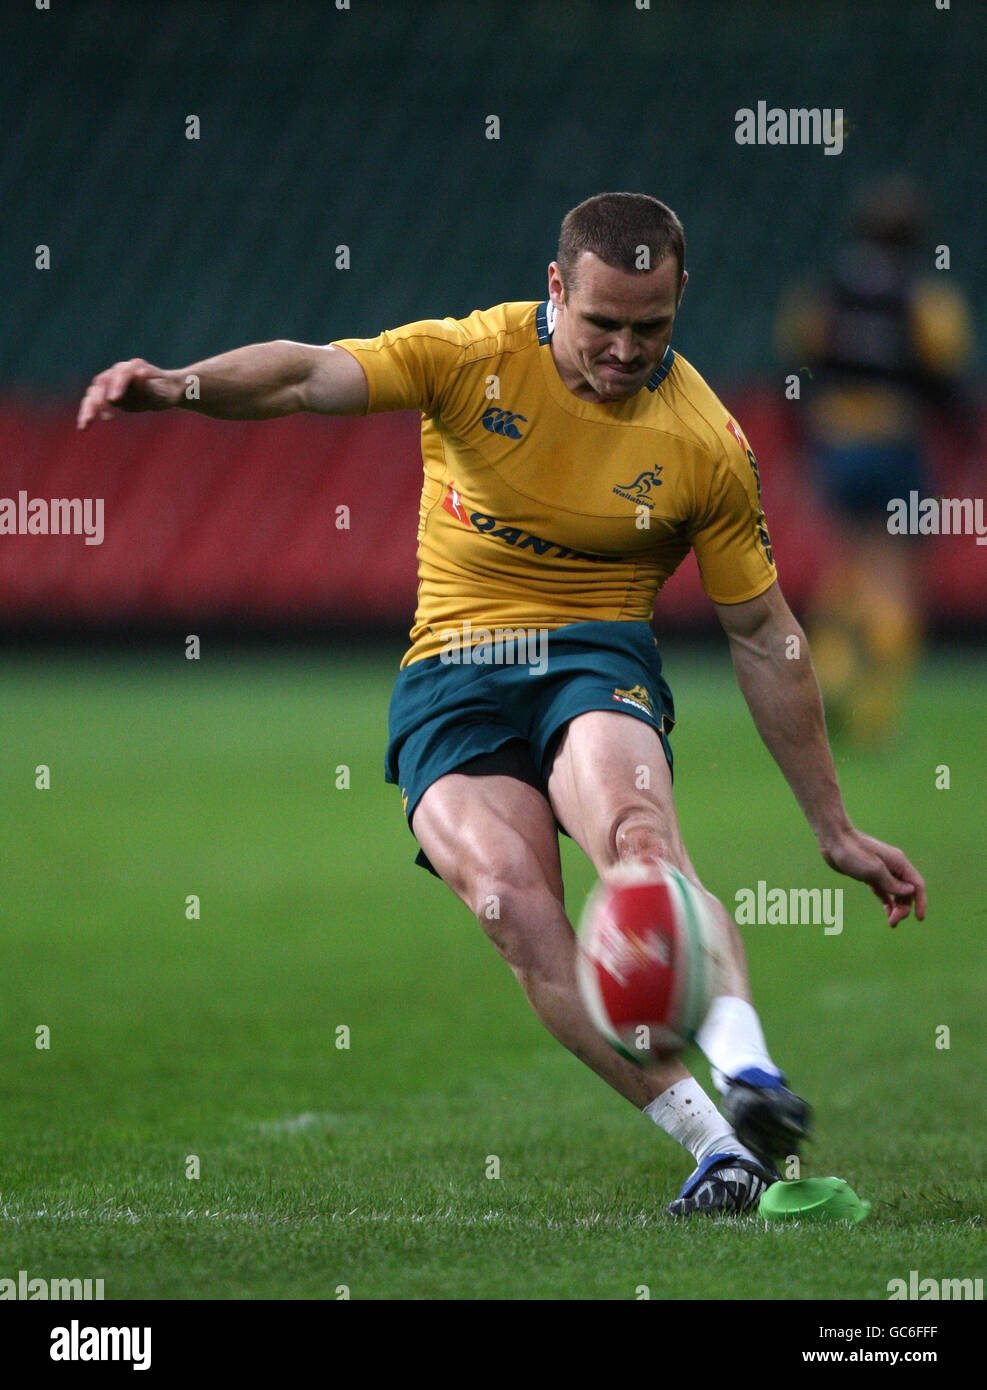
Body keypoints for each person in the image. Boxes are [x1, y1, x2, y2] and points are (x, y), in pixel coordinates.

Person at [78, 192, 926, 1217]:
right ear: (555, 287)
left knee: (638, 841)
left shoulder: (704, 439)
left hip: (593, 656)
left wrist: (832, 826)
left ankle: (751, 1072)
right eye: (602, 323)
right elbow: (305, 373)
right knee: (512, 905)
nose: (626, 351)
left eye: (652, 327)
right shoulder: (469, 356)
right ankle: (718, 1149)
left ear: (681, 299)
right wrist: (178, 385)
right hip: (452, 672)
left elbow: (763, 634)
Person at [775, 176, 975, 746]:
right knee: (896, 579)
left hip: (837, 448)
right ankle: (874, 713)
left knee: (847, 565)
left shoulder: (823, 295)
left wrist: (804, 448)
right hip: (895, 447)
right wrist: (962, 451)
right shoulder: (926, 300)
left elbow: (797, 373)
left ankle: (829, 675)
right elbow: (948, 388)